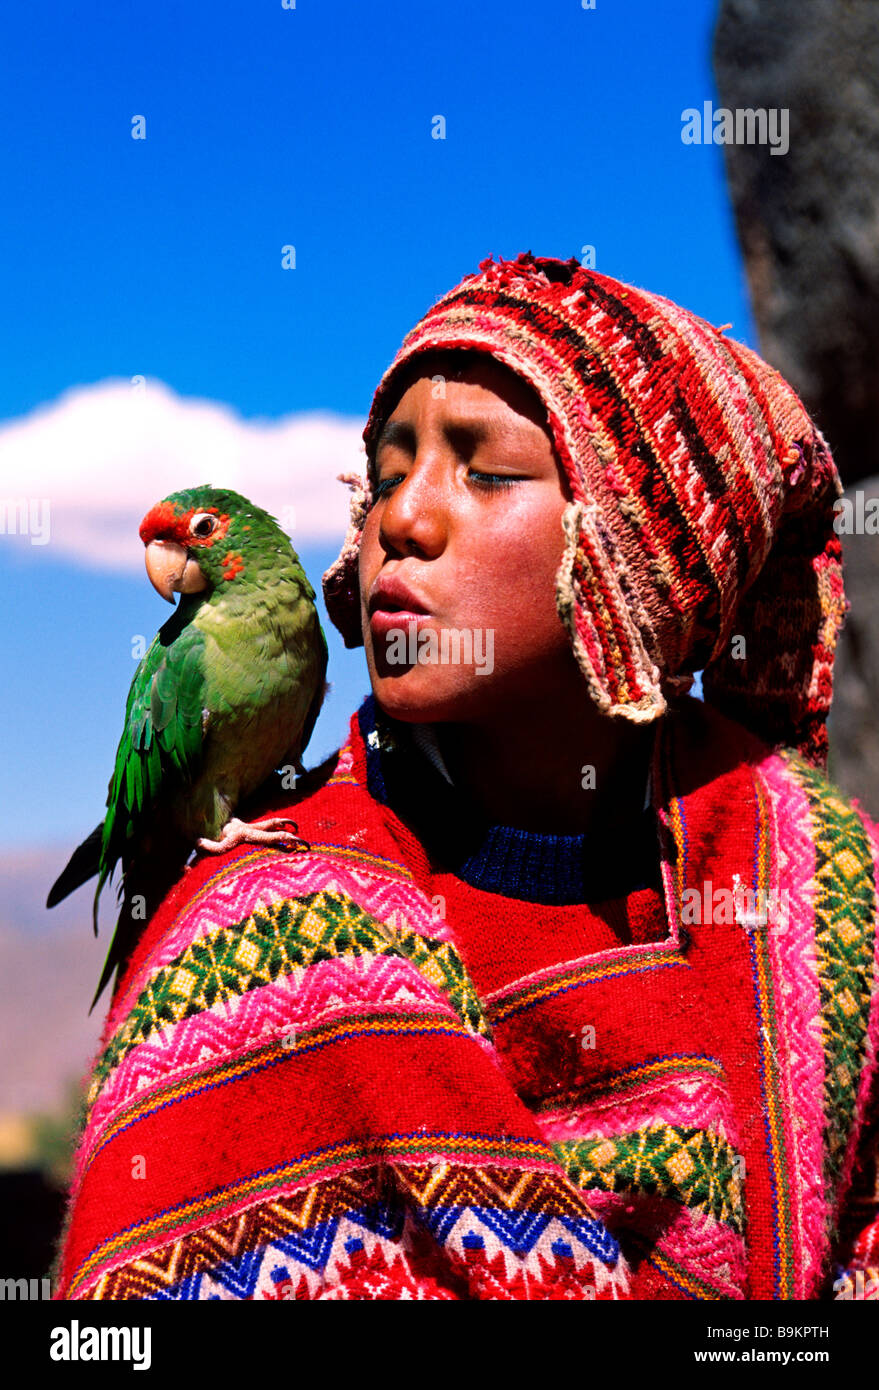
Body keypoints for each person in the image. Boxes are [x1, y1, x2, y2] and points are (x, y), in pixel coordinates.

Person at [53, 252, 879, 1301]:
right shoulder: (264, 935)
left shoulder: (825, 882)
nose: (400, 519)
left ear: (639, 555)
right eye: (388, 475)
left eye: (484, 471)